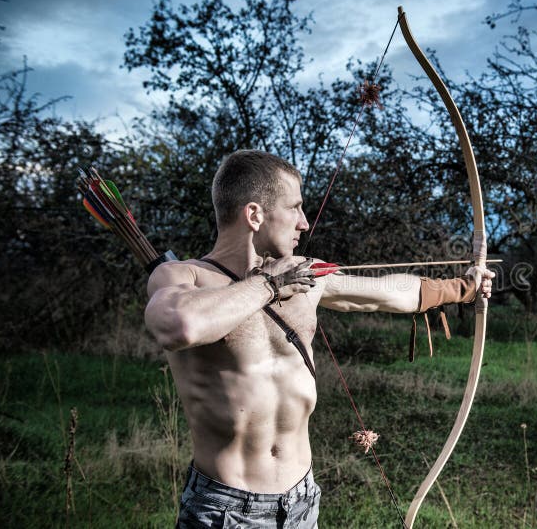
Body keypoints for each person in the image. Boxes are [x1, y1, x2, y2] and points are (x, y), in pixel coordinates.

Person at [144, 150, 494, 528]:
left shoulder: (301, 274)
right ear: (255, 214)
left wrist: (464, 287)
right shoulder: (184, 277)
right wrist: (268, 285)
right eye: (294, 208)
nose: (304, 223)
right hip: (227, 508)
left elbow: (389, 292)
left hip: (301, 499)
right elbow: (179, 326)